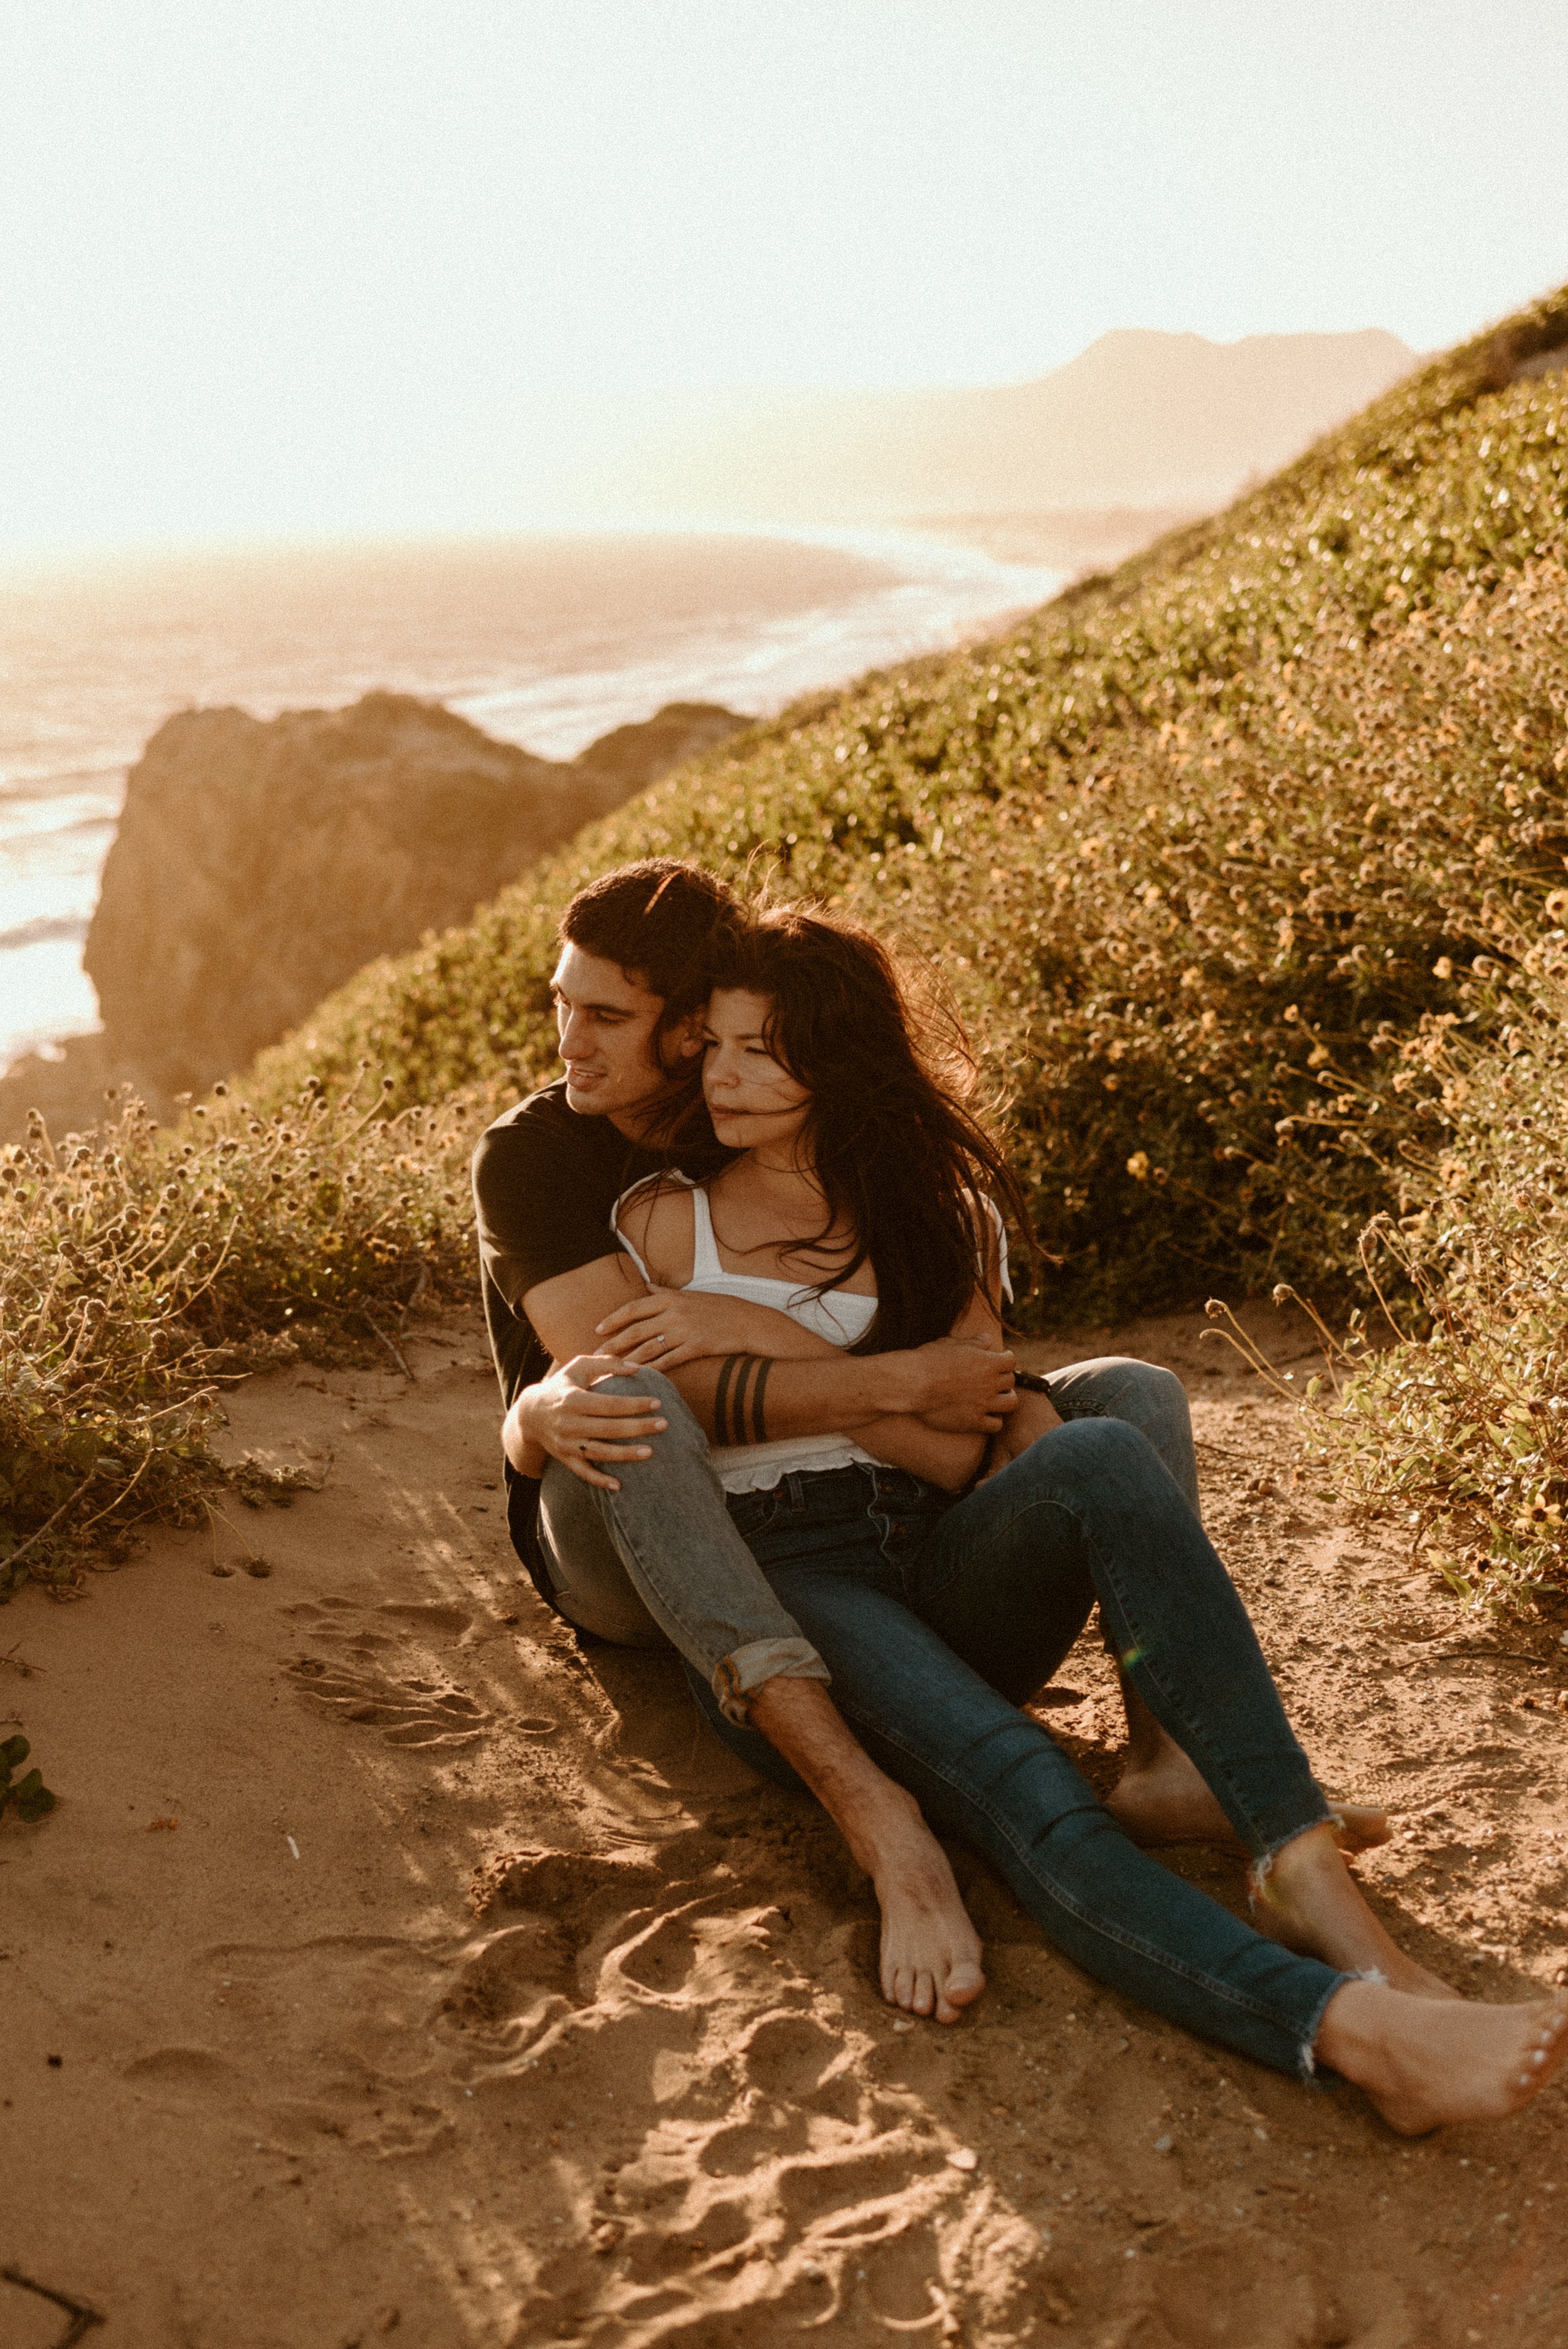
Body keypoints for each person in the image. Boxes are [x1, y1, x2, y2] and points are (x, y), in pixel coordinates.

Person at [515, 900, 1567, 2133]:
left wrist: (765, 1335)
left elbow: (965, 1448)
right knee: (1023, 1790)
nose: (725, 1075)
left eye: (765, 1049)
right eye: (721, 1045)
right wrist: (871, 1386)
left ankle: (1328, 1904)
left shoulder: (932, 1211)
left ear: (838, 1068)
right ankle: (1348, 2029)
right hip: (789, 1573)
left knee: (1110, 1446)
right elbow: (676, 1419)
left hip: (933, 1543)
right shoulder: (658, 1222)